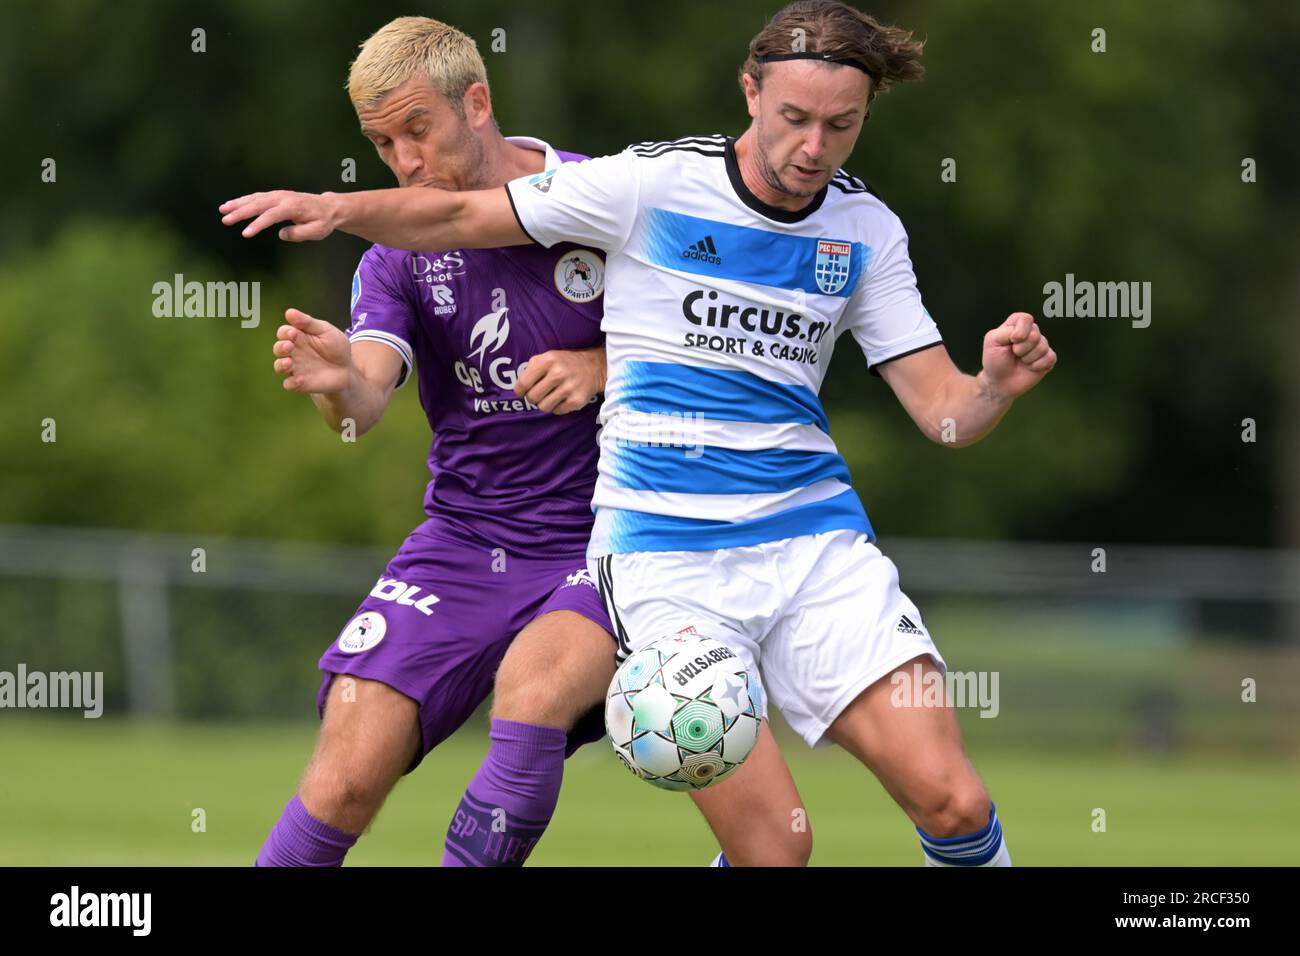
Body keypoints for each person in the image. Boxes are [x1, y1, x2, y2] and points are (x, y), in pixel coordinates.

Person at [224, 1, 1058, 867]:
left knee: (954, 800)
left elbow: (944, 413)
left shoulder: (863, 229)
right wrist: (336, 253)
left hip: (785, 543)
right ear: (750, 93)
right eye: (795, 119)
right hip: (621, 551)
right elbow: (448, 240)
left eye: (840, 125)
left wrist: (994, 385)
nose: (814, 146)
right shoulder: (647, 186)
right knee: (773, 850)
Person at [247, 15, 810, 868]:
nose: (402, 160)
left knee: (758, 837)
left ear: (477, 102)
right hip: (467, 540)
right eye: (382, 142)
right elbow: (366, 402)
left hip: (622, 536)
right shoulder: (398, 251)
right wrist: (338, 388)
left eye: (417, 131)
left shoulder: (612, 198)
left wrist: (600, 362)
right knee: (343, 776)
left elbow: (727, 344)